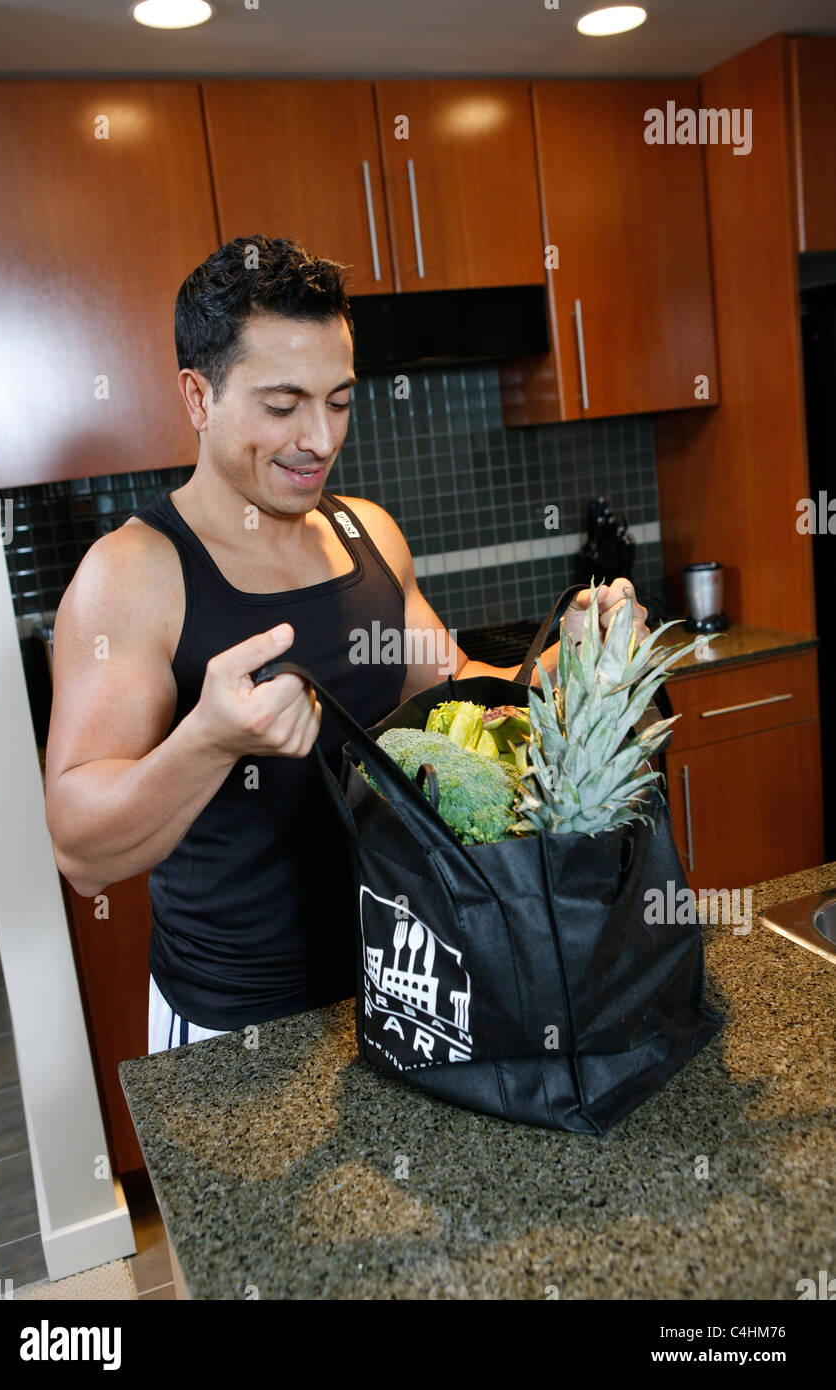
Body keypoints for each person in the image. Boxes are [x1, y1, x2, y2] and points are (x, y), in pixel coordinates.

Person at [44, 234, 650, 1053]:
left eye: (339, 399)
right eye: (283, 404)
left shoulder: (367, 534)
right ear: (197, 396)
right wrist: (210, 740)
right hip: (242, 1022)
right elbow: (81, 851)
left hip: (417, 978)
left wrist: (570, 657)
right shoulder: (132, 578)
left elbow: (452, 695)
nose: (321, 439)